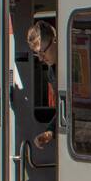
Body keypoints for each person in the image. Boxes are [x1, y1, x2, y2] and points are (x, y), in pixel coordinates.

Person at [26, 20, 57, 149]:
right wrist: (50, 131)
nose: (40, 58)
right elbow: (65, 109)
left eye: (42, 51)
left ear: (54, 41)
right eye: (37, 53)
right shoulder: (51, 72)